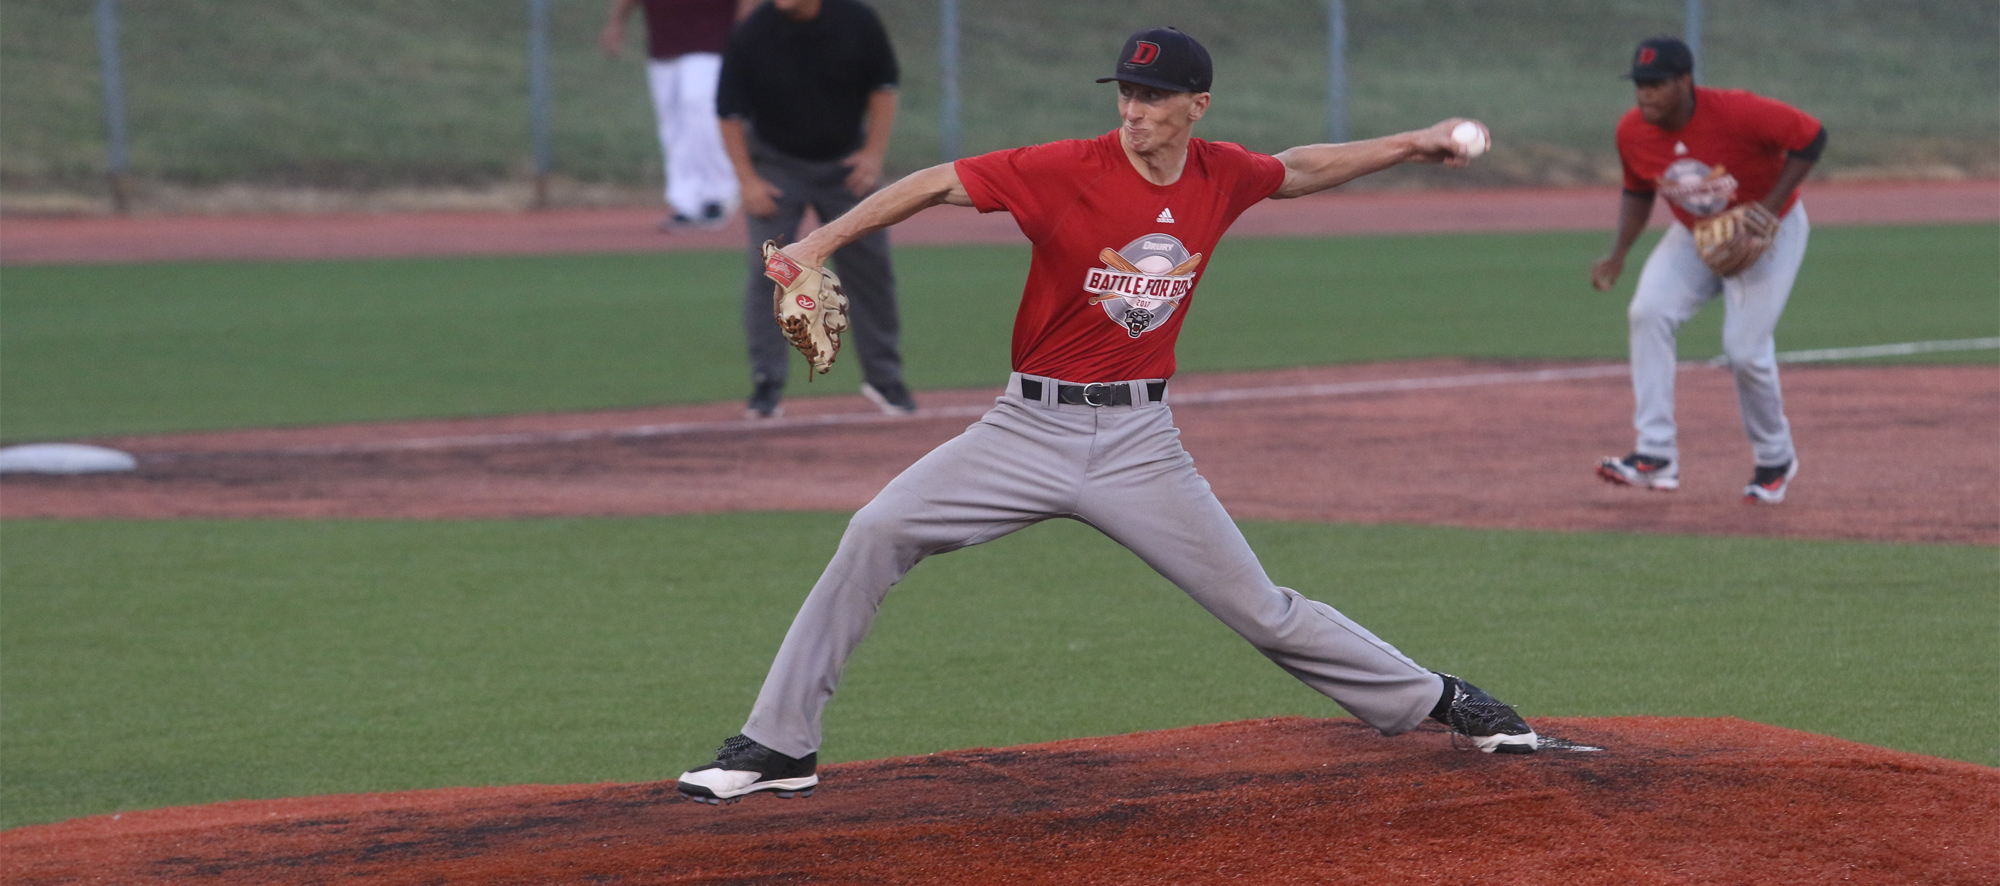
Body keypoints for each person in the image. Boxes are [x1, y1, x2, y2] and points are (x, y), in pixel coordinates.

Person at [676, 27, 1541, 805]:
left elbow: (1300, 169)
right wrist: (814, 244)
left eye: (1155, 96)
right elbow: (939, 182)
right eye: (1127, 91)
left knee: (1261, 609)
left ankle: (1441, 698)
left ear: (1196, 107)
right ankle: (780, 746)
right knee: (875, 530)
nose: (1135, 108)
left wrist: (1412, 145)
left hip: (1140, 447)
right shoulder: (1066, 167)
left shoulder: (1220, 174)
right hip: (1024, 431)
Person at [1589, 36, 1826, 504]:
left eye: (1656, 84)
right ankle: (1655, 454)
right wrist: (1618, 254)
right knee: (1648, 311)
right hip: (1697, 233)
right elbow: (1638, 192)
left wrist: (1770, 208)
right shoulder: (1632, 131)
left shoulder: (1738, 111)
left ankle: (1775, 458)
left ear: (1684, 81)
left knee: (1744, 350)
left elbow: (1811, 137)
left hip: (1770, 230)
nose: (1645, 94)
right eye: (1640, 84)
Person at [718, 0, 914, 419]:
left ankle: (886, 380)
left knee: (870, 268)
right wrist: (747, 180)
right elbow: (728, 112)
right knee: (772, 271)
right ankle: (767, 384)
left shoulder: (857, 20)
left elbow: (883, 87)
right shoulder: (754, 30)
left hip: (845, 165)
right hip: (777, 164)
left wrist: (872, 156)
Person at [600, 0, 753, 230]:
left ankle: (718, 195)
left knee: (700, 108)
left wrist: (743, 27)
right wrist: (616, 22)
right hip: (666, 39)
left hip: (713, 37)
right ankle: (686, 202)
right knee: (672, 124)